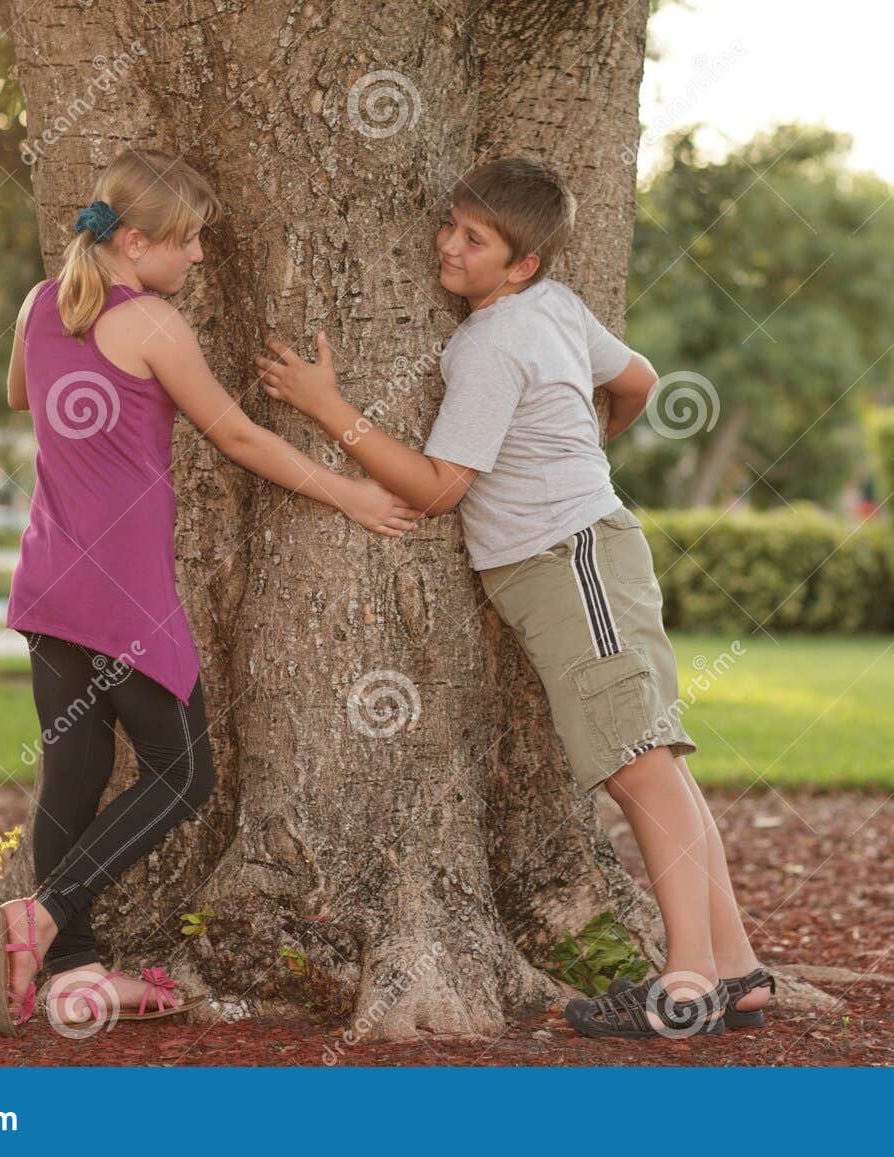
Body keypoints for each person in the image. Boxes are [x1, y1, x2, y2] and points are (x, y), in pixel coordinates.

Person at [256, 156, 774, 1039]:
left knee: (640, 765)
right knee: (659, 761)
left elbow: (438, 488)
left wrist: (328, 406)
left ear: (522, 262)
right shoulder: (556, 309)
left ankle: (686, 981)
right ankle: (735, 970)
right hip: (590, 552)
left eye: (474, 238)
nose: (447, 246)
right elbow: (639, 381)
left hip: (570, 562)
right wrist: (573, 453)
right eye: (451, 224)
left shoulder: (490, 345)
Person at [0, 147, 421, 1038]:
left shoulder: (39, 306)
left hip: (48, 575)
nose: (198, 259)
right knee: (184, 773)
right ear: (135, 241)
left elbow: (22, 394)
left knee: (76, 767)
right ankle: (46, 911)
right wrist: (351, 491)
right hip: (121, 589)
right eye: (188, 243)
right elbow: (242, 439)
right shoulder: (152, 326)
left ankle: (71, 972)